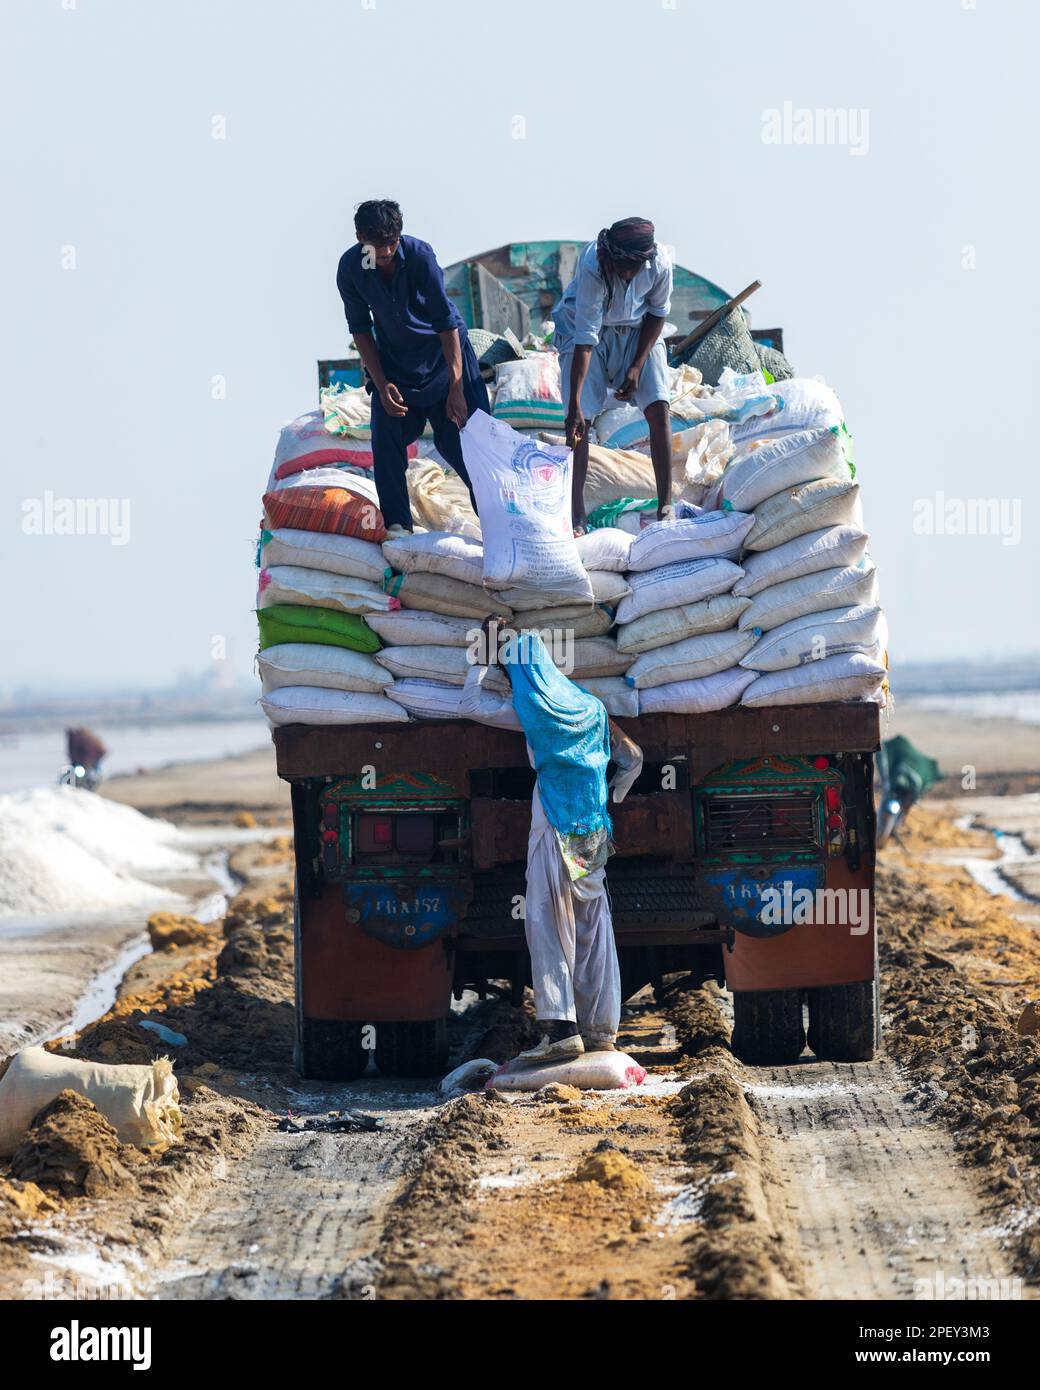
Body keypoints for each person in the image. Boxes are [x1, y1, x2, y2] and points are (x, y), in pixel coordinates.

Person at [461, 619, 643, 1062]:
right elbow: (633, 758)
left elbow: (469, 702)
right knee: (593, 923)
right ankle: (601, 1030)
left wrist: (483, 656)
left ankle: (561, 1030)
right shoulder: (591, 708)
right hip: (592, 826)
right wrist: (611, 792)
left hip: (552, 826)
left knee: (546, 921)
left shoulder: (532, 709)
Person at [336, 199, 490, 535]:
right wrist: (380, 381)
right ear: (360, 237)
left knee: (468, 447)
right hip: (397, 368)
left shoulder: (420, 256)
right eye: (378, 245)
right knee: (386, 440)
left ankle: (499, 527)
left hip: (444, 360)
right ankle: (398, 529)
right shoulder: (351, 268)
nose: (387, 251)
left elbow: (446, 323)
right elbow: (360, 328)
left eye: (393, 242)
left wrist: (456, 387)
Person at [552, 218, 674, 533]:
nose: (625, 273)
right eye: (620, 266)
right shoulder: (593, 264)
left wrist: (635, 366)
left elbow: (657, 314)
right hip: (586, 335)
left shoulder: (660, 264)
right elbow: (585, 338)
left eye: (631, 267)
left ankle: (665, 505)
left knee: (659, 407)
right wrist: (576, 403)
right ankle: (576, 512)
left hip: (638, 333)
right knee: (579, 420)